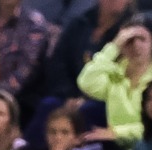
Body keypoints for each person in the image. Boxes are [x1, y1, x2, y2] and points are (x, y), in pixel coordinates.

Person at [41, 0, 132, 134]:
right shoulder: (78, 24)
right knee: (48, 105)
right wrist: (69, 95)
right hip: (68, 95)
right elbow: (59, 63)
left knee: (87, 110)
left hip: (104, 101)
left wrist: (85, 99)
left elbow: (121, 75)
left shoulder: (130, 32)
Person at [75, 19, 152, 149]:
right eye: (129, 41)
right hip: (117, 147)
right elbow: (85, 82)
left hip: (151, 145)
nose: (136, 46)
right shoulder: (114, 74)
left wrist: (117, 133)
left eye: (142, 39)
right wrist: (113, 47)